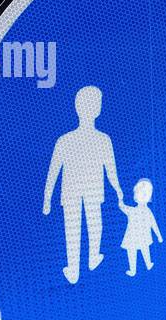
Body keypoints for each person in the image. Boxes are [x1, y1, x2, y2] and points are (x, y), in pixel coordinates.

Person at [42, 86, 124, 284]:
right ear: (97, 109)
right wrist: (119, 191)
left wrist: (47, 199)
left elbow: (53, 172)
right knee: (93, 224)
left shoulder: (65, 140)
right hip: (90, 190)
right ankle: (93, 257)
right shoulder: (102, 139)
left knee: (74, 228)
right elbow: (111, 172)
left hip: (72, 191)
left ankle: (74, 267)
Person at [118, 179, 163, 276]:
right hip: (140, 236)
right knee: (140, 249)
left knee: (135, 250)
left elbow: (153, 224)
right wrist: (159, 237)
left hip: (134, 236)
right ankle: (145, 265)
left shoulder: (135, 211)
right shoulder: (142, 211)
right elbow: (154, 224)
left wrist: (120, 200)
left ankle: (140, 267)